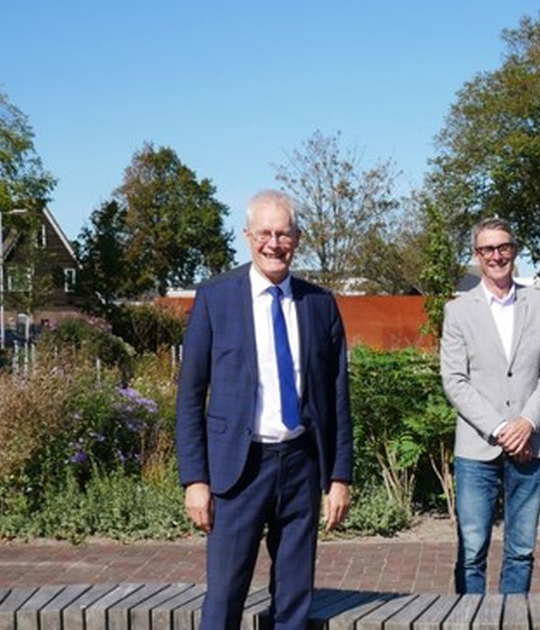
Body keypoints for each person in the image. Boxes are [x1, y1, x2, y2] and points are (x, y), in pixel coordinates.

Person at [176, 190, 353, 630]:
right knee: (225, 596)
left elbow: (337, 397)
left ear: (297, 238)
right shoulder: (215, 299)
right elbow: (190, 394)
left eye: (284, 234)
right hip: (238, 469)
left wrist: (339, 476)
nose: (274, 243)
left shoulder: (320, 305)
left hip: (300, 465)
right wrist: (195, 479)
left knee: (294, 597)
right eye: (265, 234)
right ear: (248, 236)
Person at [440, 217, 540, 594]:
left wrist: (526, 421)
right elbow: (454, 381)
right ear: (477, 255)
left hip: (531, 445)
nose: (496, 256)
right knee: (472, 551)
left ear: (514, 250)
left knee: (522, 550)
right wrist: (500, 428)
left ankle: (512, 618)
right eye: (487, 249)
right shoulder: (458, 311)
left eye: (503, 247)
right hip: (477, 449)